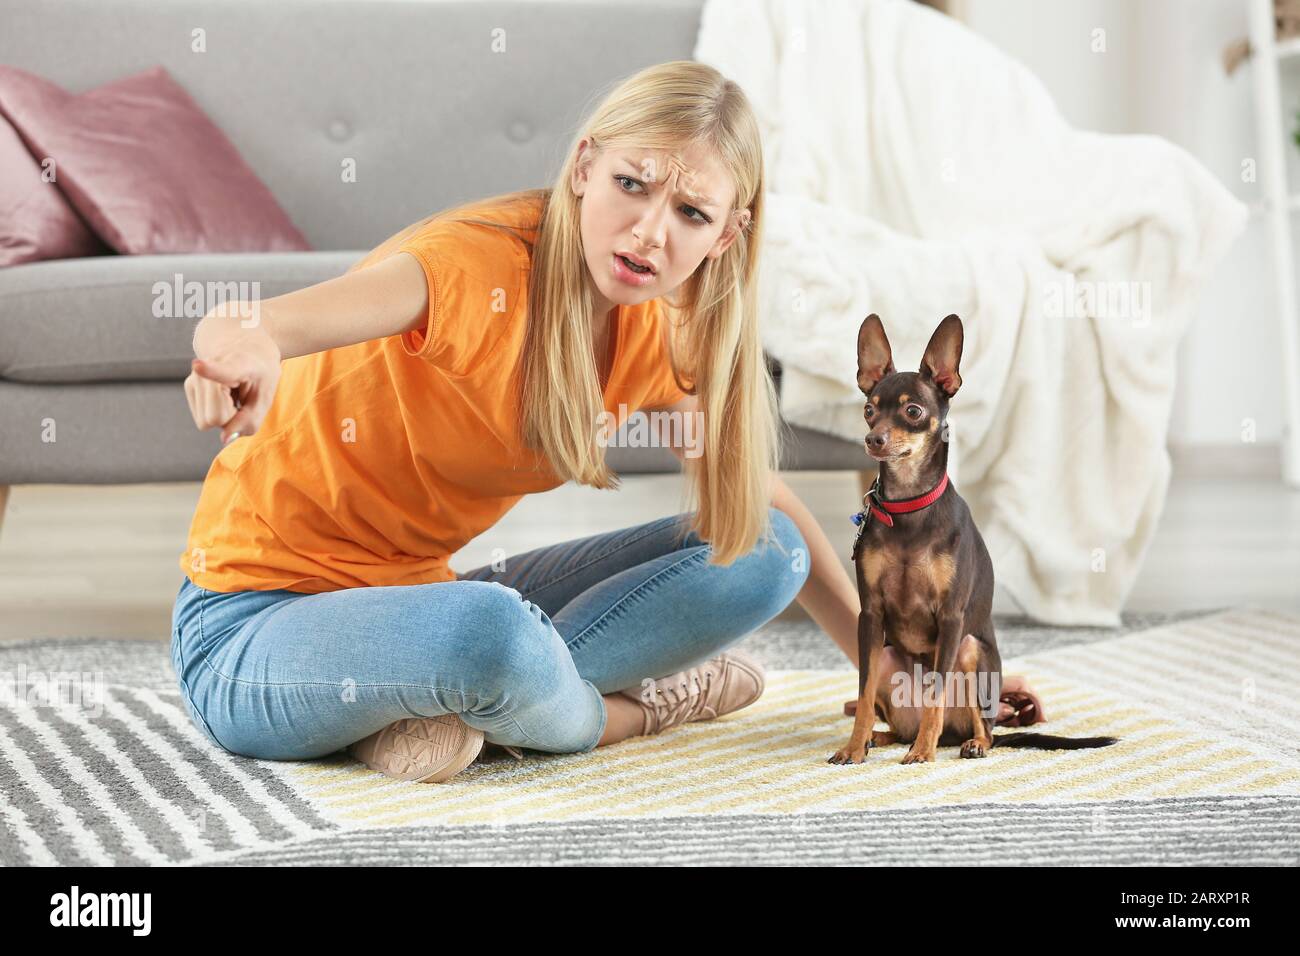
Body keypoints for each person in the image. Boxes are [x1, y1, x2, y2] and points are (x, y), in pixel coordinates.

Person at [171, 60, 1040, 786]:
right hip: (248, 629)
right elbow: (252, 323)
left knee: (768, 548)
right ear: (585, 165)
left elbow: (752, 500)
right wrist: (235, 356)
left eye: (690, 214)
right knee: (489, 631)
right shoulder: (474, 268)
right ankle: (618, 714)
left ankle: (460, 706)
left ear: (727, 235)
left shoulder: (660, 332)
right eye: (630, 185)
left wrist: (892, 673)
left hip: (414, 598)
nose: (648, 234)